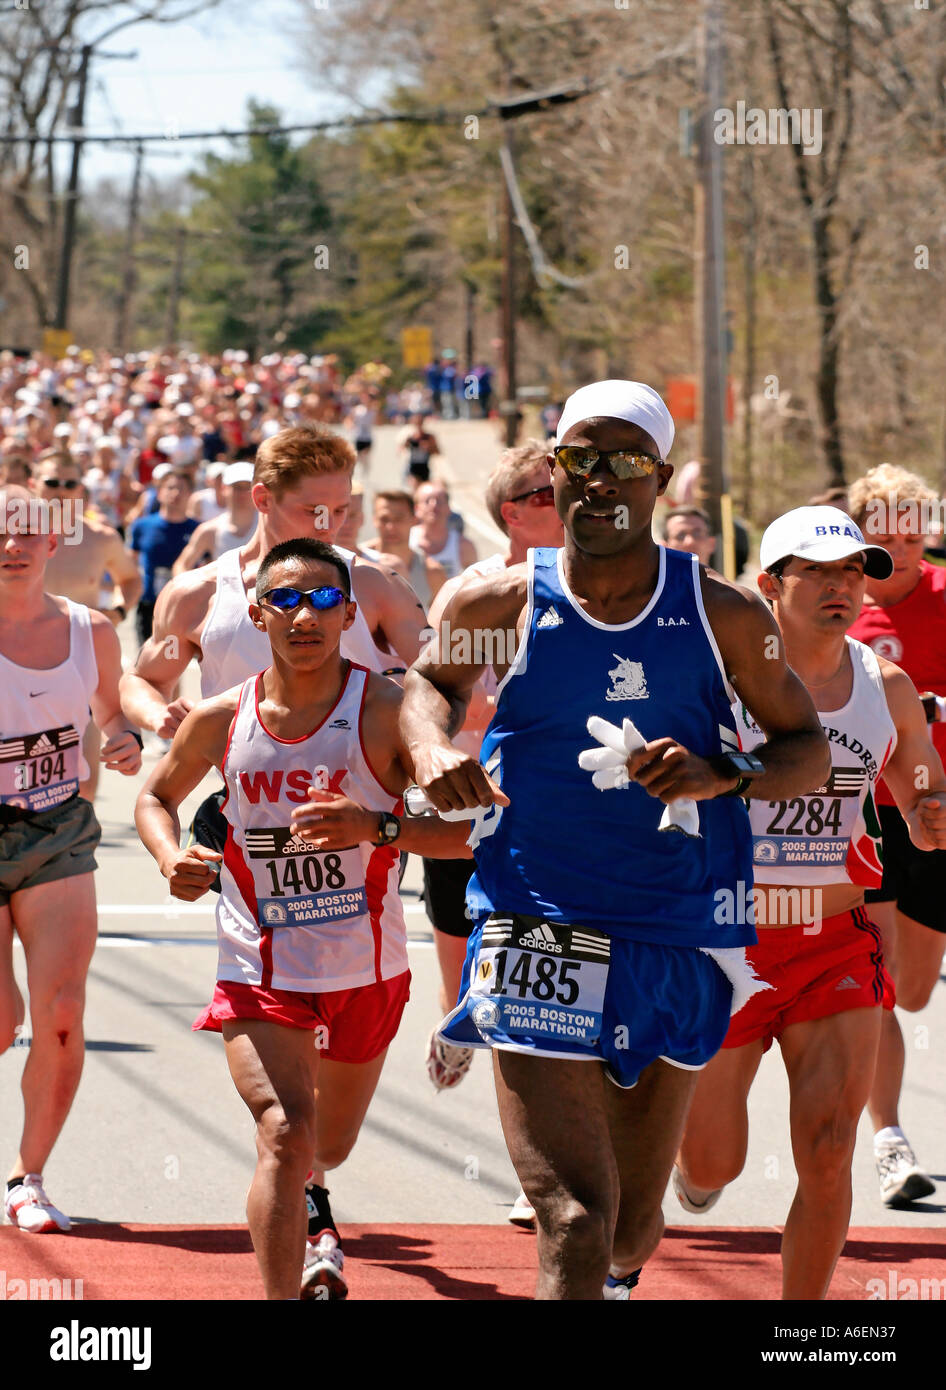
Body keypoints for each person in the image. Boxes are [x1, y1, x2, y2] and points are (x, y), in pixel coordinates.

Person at [400, 379, 829, 1300]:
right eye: (579, 461)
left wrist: (726, 774)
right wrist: (432, 747)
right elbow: (428, 684)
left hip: (672, 921)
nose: (599, 482)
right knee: (574, 1217)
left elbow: (806, 749)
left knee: (630, 1225)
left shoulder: (723, 618)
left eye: (624, 462)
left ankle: (632, 1248)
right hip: (533, 914)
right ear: (553, 473)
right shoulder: (502, 604)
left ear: (661, 479)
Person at [134, 538, 470, 1299]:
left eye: (323, 600)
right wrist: (168, 858)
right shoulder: (223, 718)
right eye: (285, 599)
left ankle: (317, 1193)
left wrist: (378, 829)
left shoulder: (389, 711)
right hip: (259, 964)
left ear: (350, 613)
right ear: (258, 614)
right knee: (285, 1136)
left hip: (366, 967)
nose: (304, 615)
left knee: (330, 1145)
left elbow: (472, 834)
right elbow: (155, 797)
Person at [675, 506, 946, 1299]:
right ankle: (693, 1180)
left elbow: (925, 813)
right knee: (708, 1164)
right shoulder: (713, 682)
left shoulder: (885, 686)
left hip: (834, 941)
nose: (841, 587)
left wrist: (933, 813)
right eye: (818, 572)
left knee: (828, 1147)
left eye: (853, 572)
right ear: (769, 586)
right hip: (725, 944)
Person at [0, 485, 142, 1234]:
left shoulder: (92, 631)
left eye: (26, 533)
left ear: (55, 544)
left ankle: (29, 1178)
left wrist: (123, 742)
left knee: (60, 1014)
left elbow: (113, 712)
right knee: (1, 1019)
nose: (11, 545)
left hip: (58, 828)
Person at [419, 443, 563, 1096]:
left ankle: (542, 1177)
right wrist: (435, 748)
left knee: (539, 984)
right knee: (461, 954)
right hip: (472, 799)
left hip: (561, 812)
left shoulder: (614, 590)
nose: (565, 500)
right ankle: (464, 1011)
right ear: (511, 514)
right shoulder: (472, 593)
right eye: (544, 494)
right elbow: (435, 695)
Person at [846, 464, 946, 1203]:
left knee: (914, 991)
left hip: (938, 814)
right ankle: (889, 1138)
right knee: (879, 982)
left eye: (912, 524)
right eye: (883, 526)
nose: (900, 540)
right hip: (866, 813)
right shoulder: (839, 599)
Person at [33, 451, 143, 800]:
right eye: (52, 482)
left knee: (84, 782)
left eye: (69, 484)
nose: (61, 491)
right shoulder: (14, 537)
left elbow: (130, 578)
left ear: (81, 489)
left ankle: (71, 851)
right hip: (21, 659)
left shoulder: (101, 537)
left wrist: (120, 611)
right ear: (35, 484)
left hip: (81, 662)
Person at [128, 467, 198, 645]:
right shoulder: (142, 526)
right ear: (159, 493)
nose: (176, 493)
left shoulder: (199, 530)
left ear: (190, 494)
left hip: (184, 606)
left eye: (181, 488)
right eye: (170, 488)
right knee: (147, 660)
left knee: (174, 662)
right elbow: (131, 561)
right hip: (149, 604)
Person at [172, 461, 257, 574]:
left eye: (247, 487)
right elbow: (181, 566)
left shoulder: (270, 528)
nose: (242, 494)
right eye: (237, 487)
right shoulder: (210, 530)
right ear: (224, 489)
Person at [366, 489, 447, 607]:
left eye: (398, 519)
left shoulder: (432, 572)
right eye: (384, 519)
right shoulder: (357, 561)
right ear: (374, 520)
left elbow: (442, 621)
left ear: (414, 519)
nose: (391, 527)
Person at [409, 481, 477, 580]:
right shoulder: (406, 539)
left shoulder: (463, 546)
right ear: (417, 508)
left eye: (439, 501)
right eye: (427, 501)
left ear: (449, 507)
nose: (434, 505)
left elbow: (475, 584)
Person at [398, 413, 440, 490]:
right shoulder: (409, 436)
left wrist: (428, 447)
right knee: (414, 486)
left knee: (423, 489)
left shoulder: (429, 436)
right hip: (412, 466)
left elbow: (438, 452)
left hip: (424, 466)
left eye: (419, 422)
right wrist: (405, 444)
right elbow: (400, 451)